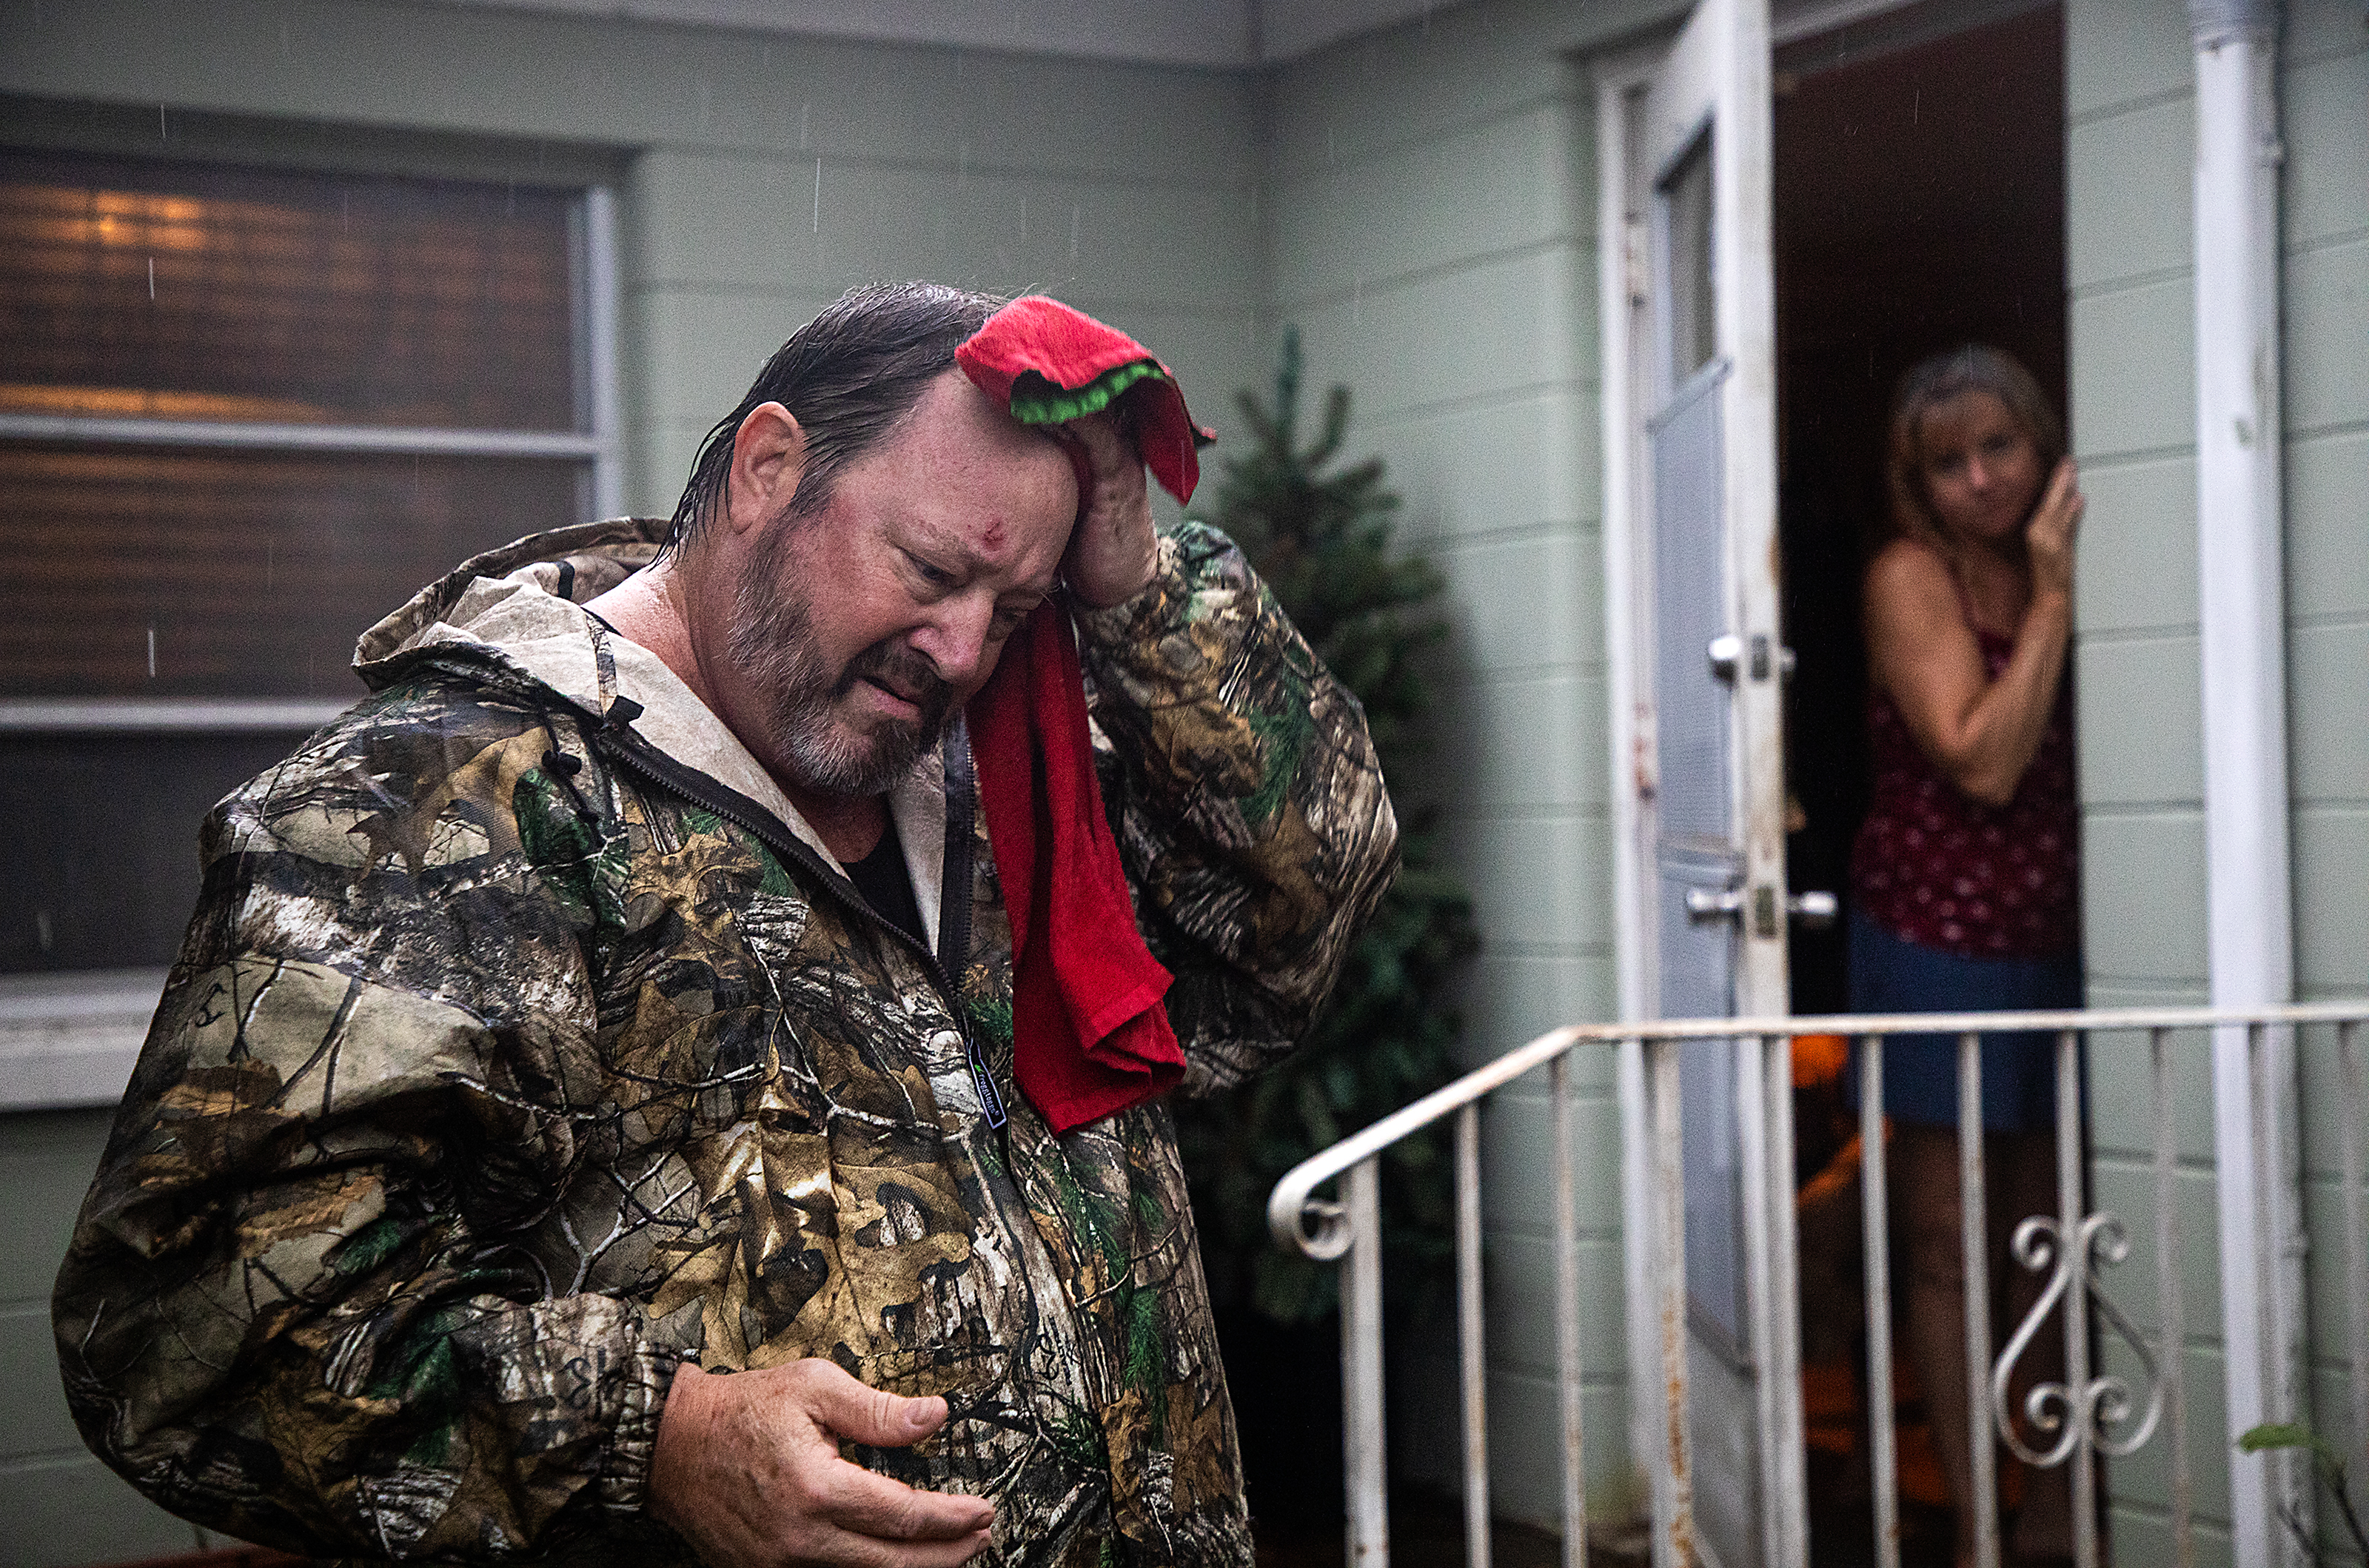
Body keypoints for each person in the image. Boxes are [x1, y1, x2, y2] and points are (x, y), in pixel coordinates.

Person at [53, 282, 1398, 1568]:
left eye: (1016, 610)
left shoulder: (1007, 777)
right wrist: (659, 1441)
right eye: (930, 567)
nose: (959, 649)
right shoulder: (432, 811)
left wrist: (1140, 589)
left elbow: (1292, 916)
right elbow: (186, 1322)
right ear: (767, 469)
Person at [1848, 344, 2085, 1565]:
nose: (1982, 479)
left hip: (2051, 935)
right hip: (1934, 933)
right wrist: (2050, 598)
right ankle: (1977, 1517)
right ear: (1918, 483)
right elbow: (1983, 758)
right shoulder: (1912, 574)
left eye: (2002, 448)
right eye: (1950, 463)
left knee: (2045, 1229)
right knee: (1947, 1238)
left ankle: (2052, 1506)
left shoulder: (2062, 555)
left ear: (2043, 446)